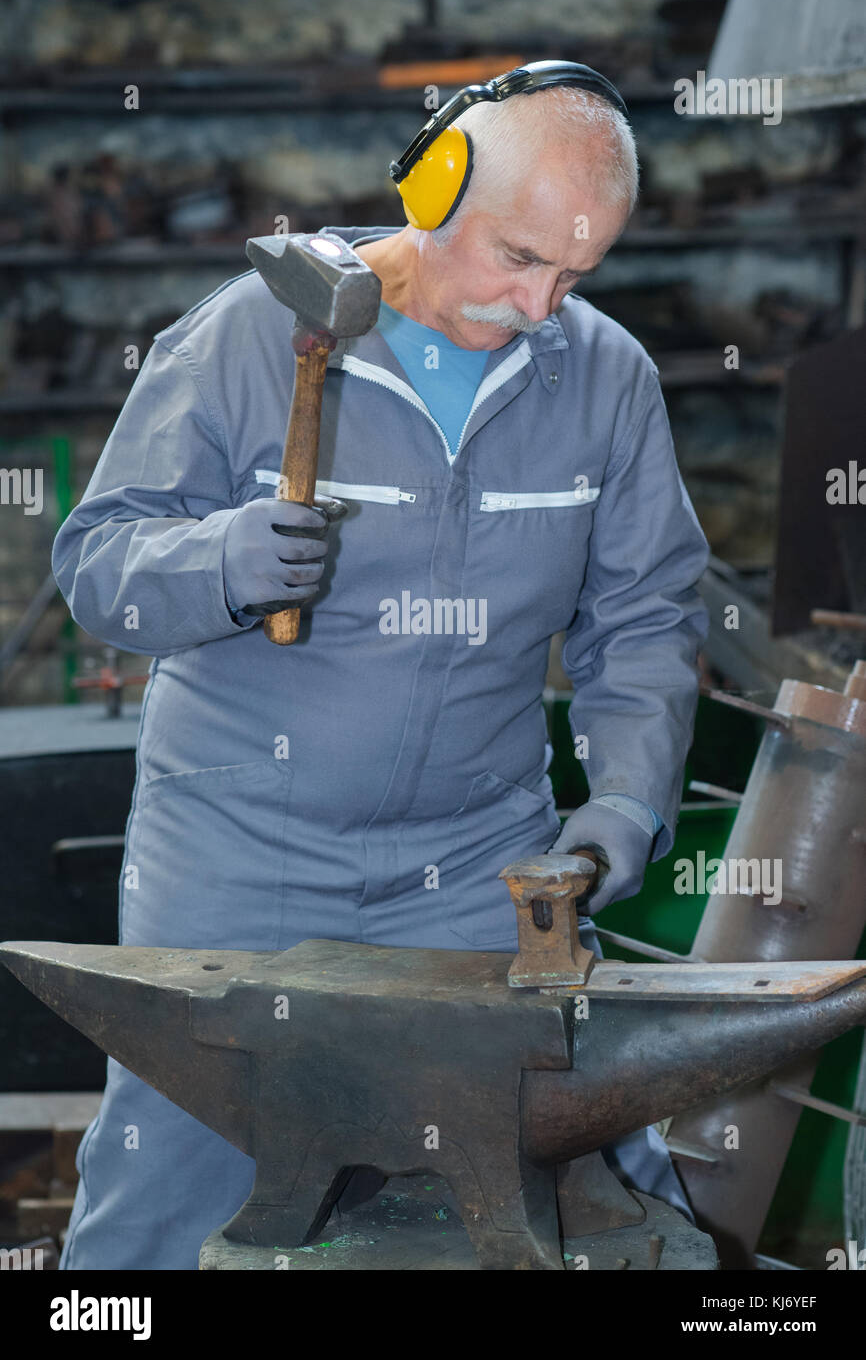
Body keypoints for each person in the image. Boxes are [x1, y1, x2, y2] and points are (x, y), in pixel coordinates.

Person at [51, 63, 709, 1270]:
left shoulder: (605, 380)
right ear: (433, 183)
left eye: (574, 273)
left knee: (588, 1178)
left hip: (473, 869)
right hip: (237, 860)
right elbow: (99, 566)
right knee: (166, 1196)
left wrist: (624, 800)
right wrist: (221, 561)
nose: (540, 305)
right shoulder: (253, 332)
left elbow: (647, 614)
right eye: (518, 258)